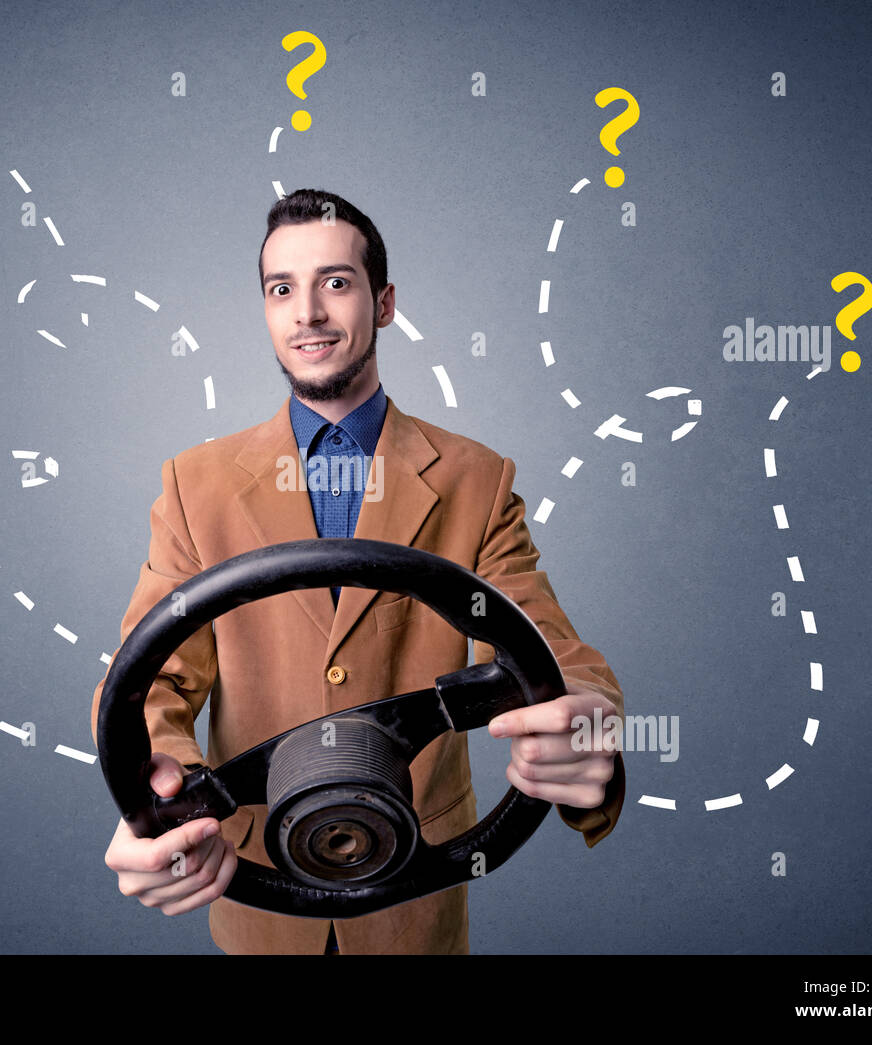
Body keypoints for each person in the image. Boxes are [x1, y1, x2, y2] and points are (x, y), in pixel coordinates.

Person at [92, 189, 624, 954]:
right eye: (282, 289)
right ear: (267, 309)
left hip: (416, 904)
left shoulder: (478, 480)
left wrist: (589, 728)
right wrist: (161, 794)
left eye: (335, 282)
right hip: (256, 903)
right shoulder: (193, 484)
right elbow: (149, 684)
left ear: (384, 302)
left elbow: (558, 658)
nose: (306, 311)